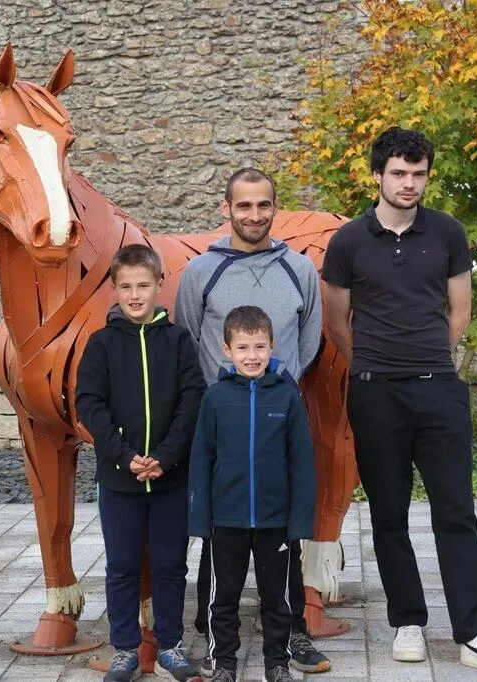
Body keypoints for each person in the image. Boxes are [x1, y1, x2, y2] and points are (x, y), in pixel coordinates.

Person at [321, 127, 477, 677]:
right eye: (399, 173)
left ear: (427, 175)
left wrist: (429, 356)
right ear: (378, 175)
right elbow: (336, 320)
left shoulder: (448, 233)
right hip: (375, 392)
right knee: (388, 513)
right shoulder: (348, 243)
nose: (409, 183)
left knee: (455, 511)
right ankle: (407, 620)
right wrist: (372, 363)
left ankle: (475, 633)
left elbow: (460, 311)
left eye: (418, 173)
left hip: (438, 389)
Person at [175, 168, 329, 676]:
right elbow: (190, 335)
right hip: (223, 408)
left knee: (279, 543)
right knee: (223, 542)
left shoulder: (299, 269)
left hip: (277, 407)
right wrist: (223, 385)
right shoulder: (203, 272)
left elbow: (309, 337)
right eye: (244, 206)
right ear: (227, 209)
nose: (254, 215)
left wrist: (283, 379)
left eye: (264, 205)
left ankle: (291, 640)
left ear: (274, 207)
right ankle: (216, 643)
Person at [76, 244, 206, 682]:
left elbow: (192, 402)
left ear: (158, 286)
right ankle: (125, 648)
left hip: (169, 480)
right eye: (126, 286)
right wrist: (126, 457)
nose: (135, 295)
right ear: (114, 289)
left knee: (171, 565)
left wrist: (165, 458)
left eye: (143, 286)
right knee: (123, 566)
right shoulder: (102, 344)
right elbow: (89, 405)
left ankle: (169, 644)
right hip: (120, 481)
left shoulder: (177, 341)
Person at [188, 306, 316, 682]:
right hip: (225, 519)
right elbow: (200, 461)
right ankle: (223, 662)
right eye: (242, 347)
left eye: (260, 346)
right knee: (222, 598)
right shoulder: (214, 399)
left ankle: (276, 662)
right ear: (226, 350)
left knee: (277, 598)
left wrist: (300, 519)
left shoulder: (288, 398)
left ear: (272, 346)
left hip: (276, 520)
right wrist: (199, 518)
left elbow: (302, 462)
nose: (252, 355)